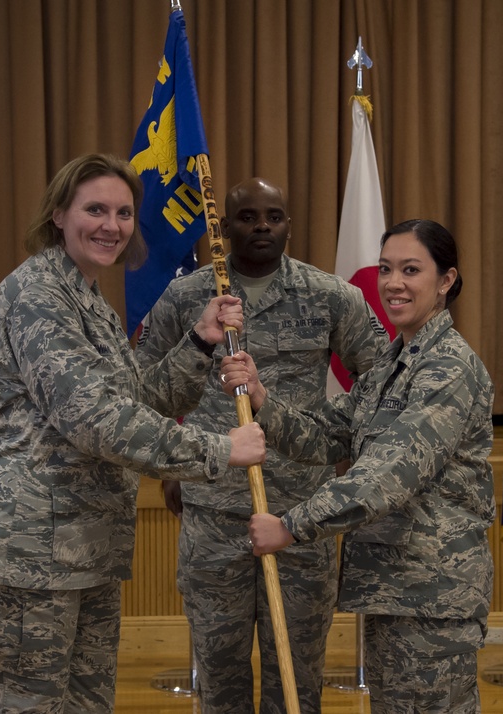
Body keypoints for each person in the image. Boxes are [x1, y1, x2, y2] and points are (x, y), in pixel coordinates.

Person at [0, 153, 266, 714]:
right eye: (94, 209)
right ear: (57, 214)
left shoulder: (87, 298)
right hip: (29, 552)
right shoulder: (39, 298)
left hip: (83, 548)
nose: (111, 225)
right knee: (25, 705)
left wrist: (198, 341)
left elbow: (135, 402)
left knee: (86, 705)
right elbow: (95, 420)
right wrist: (220, 451)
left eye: (123, 213)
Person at [222, 218, 496, 713]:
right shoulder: (391, 365)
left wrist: (291, 526)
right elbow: (329, 434)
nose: (394, 283)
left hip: (433, 596)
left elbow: (387, 476)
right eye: (387, 268)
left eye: (411, 270)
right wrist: (262, 399)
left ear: (446, 281)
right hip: (393, 591)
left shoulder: (448, 367)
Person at [135, 177, 387, 714]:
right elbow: (140, 389)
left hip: (300, 517)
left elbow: (382, 381)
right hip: (213, 514)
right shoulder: (185, 297)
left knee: (296, 680)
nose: (262, 227)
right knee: (219, 679)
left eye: (274, 216)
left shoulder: (330, 296)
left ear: (289, 225)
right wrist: (172, 463)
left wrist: (345, 447)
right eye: (248, 217)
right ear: (224, 229)